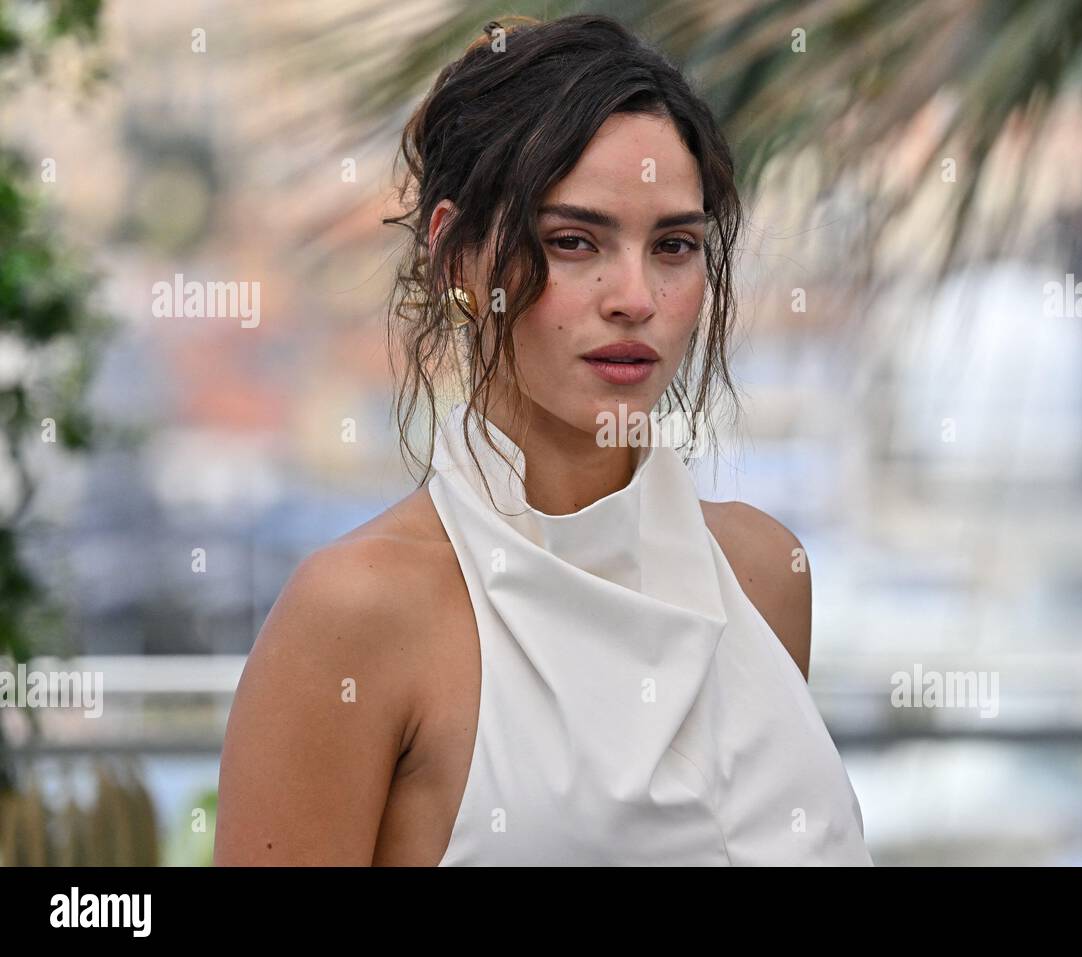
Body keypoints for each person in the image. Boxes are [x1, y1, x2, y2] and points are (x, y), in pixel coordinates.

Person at [214, 13, 872, 866]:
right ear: (457, 258)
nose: (633, 295)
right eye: (574, 241)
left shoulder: (763, 572)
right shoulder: (356, 613)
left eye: (673, 245)